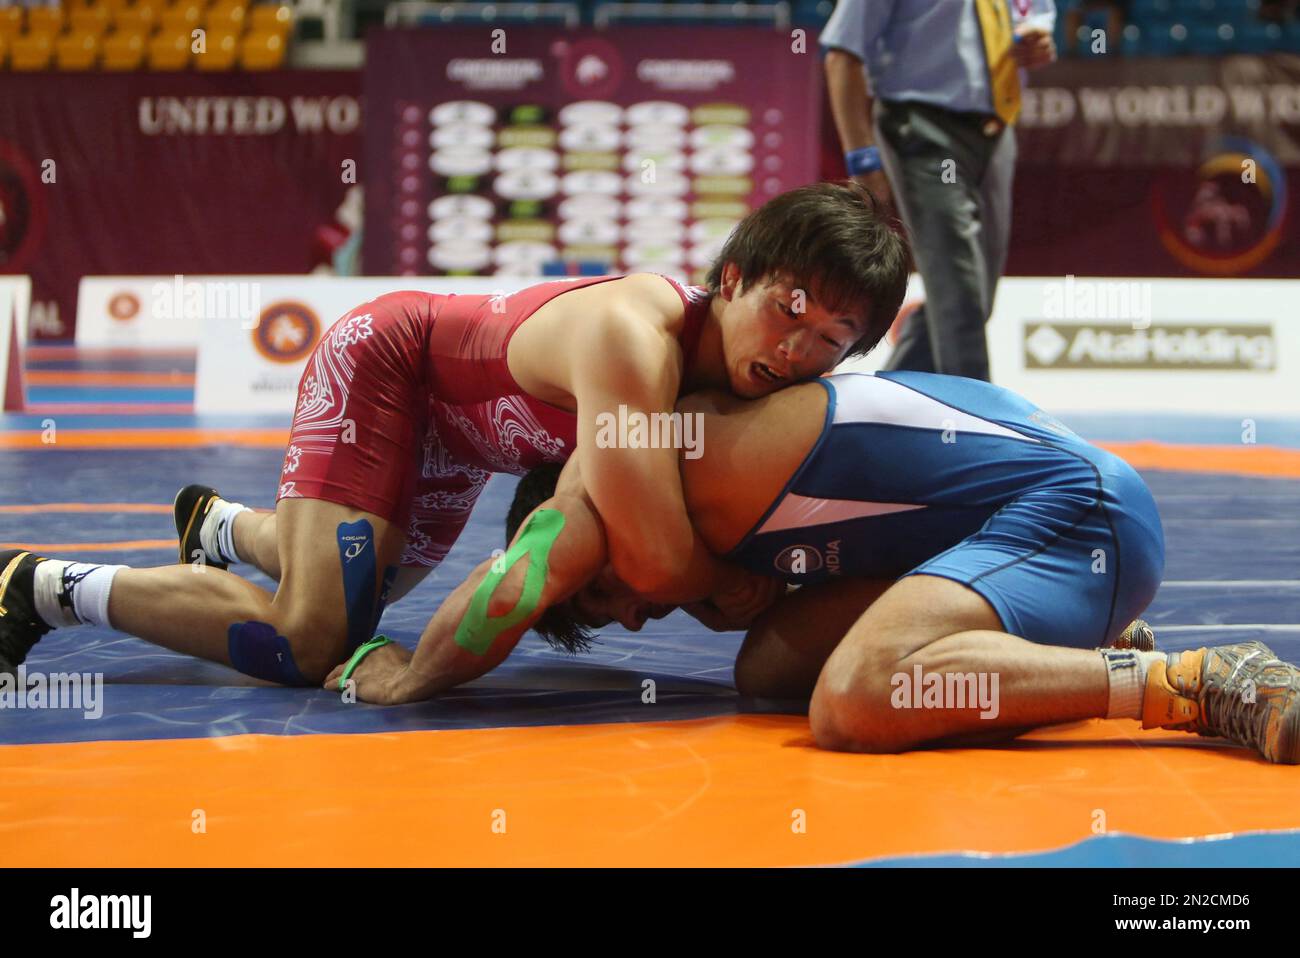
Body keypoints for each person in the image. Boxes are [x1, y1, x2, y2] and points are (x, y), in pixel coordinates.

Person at [0, 182, 909, 686]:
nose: (795, 351)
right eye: (790, 309)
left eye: (830, 340)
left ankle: (224, 531)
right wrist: (739, 591)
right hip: (391, 368)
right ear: (736, 276)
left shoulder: (744, 380)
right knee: (315, 637)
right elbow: (660, 553)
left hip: (470, 442)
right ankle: (42, 585)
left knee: (368, 584)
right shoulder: (635, 338)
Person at [334, 370, 1300, 766]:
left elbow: (510, 585)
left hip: (1085, 518)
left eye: (598, 589)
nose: (629, 621)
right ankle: (1070, 637)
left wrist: (405, 675)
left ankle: (1190, 681)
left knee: (857, 697)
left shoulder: (623, 463)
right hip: (1044, 525)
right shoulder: (722, 493)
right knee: (769, 672)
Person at [822, 0, 1057, 380]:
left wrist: (1039, 43)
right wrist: (864, 163)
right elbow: (842, 54)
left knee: (974, 298)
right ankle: (978, 421)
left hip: (997, 130)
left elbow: (1034, 20)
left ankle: (890, 403)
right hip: (922, 126)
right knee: (961, 296)